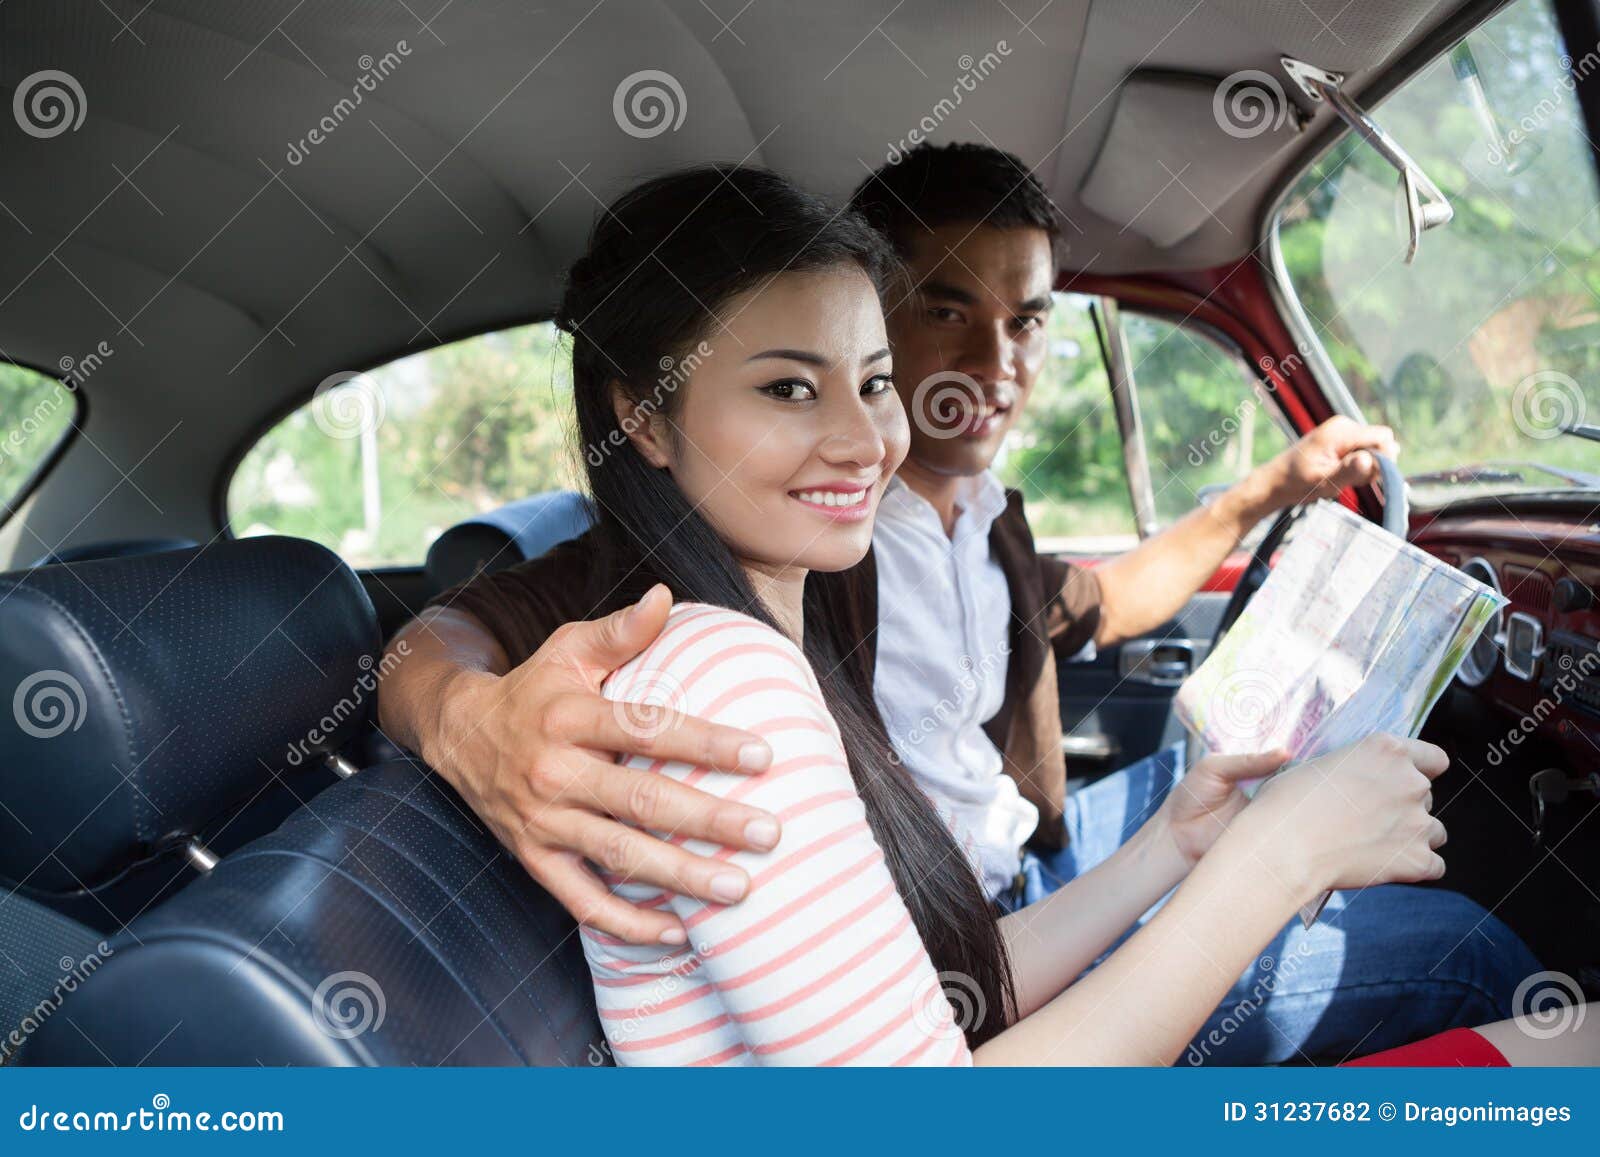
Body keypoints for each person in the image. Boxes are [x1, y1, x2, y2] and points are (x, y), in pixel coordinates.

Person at [376, 149, 1541, 1063]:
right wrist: (1271, 865)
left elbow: (936, 997)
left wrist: (1168, 851)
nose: (861, 434)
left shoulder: (782, 614)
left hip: (982, 941)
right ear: (643, 415)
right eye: (789, 386)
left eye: (870, 381)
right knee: (1529, 1029)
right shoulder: (715, 671)